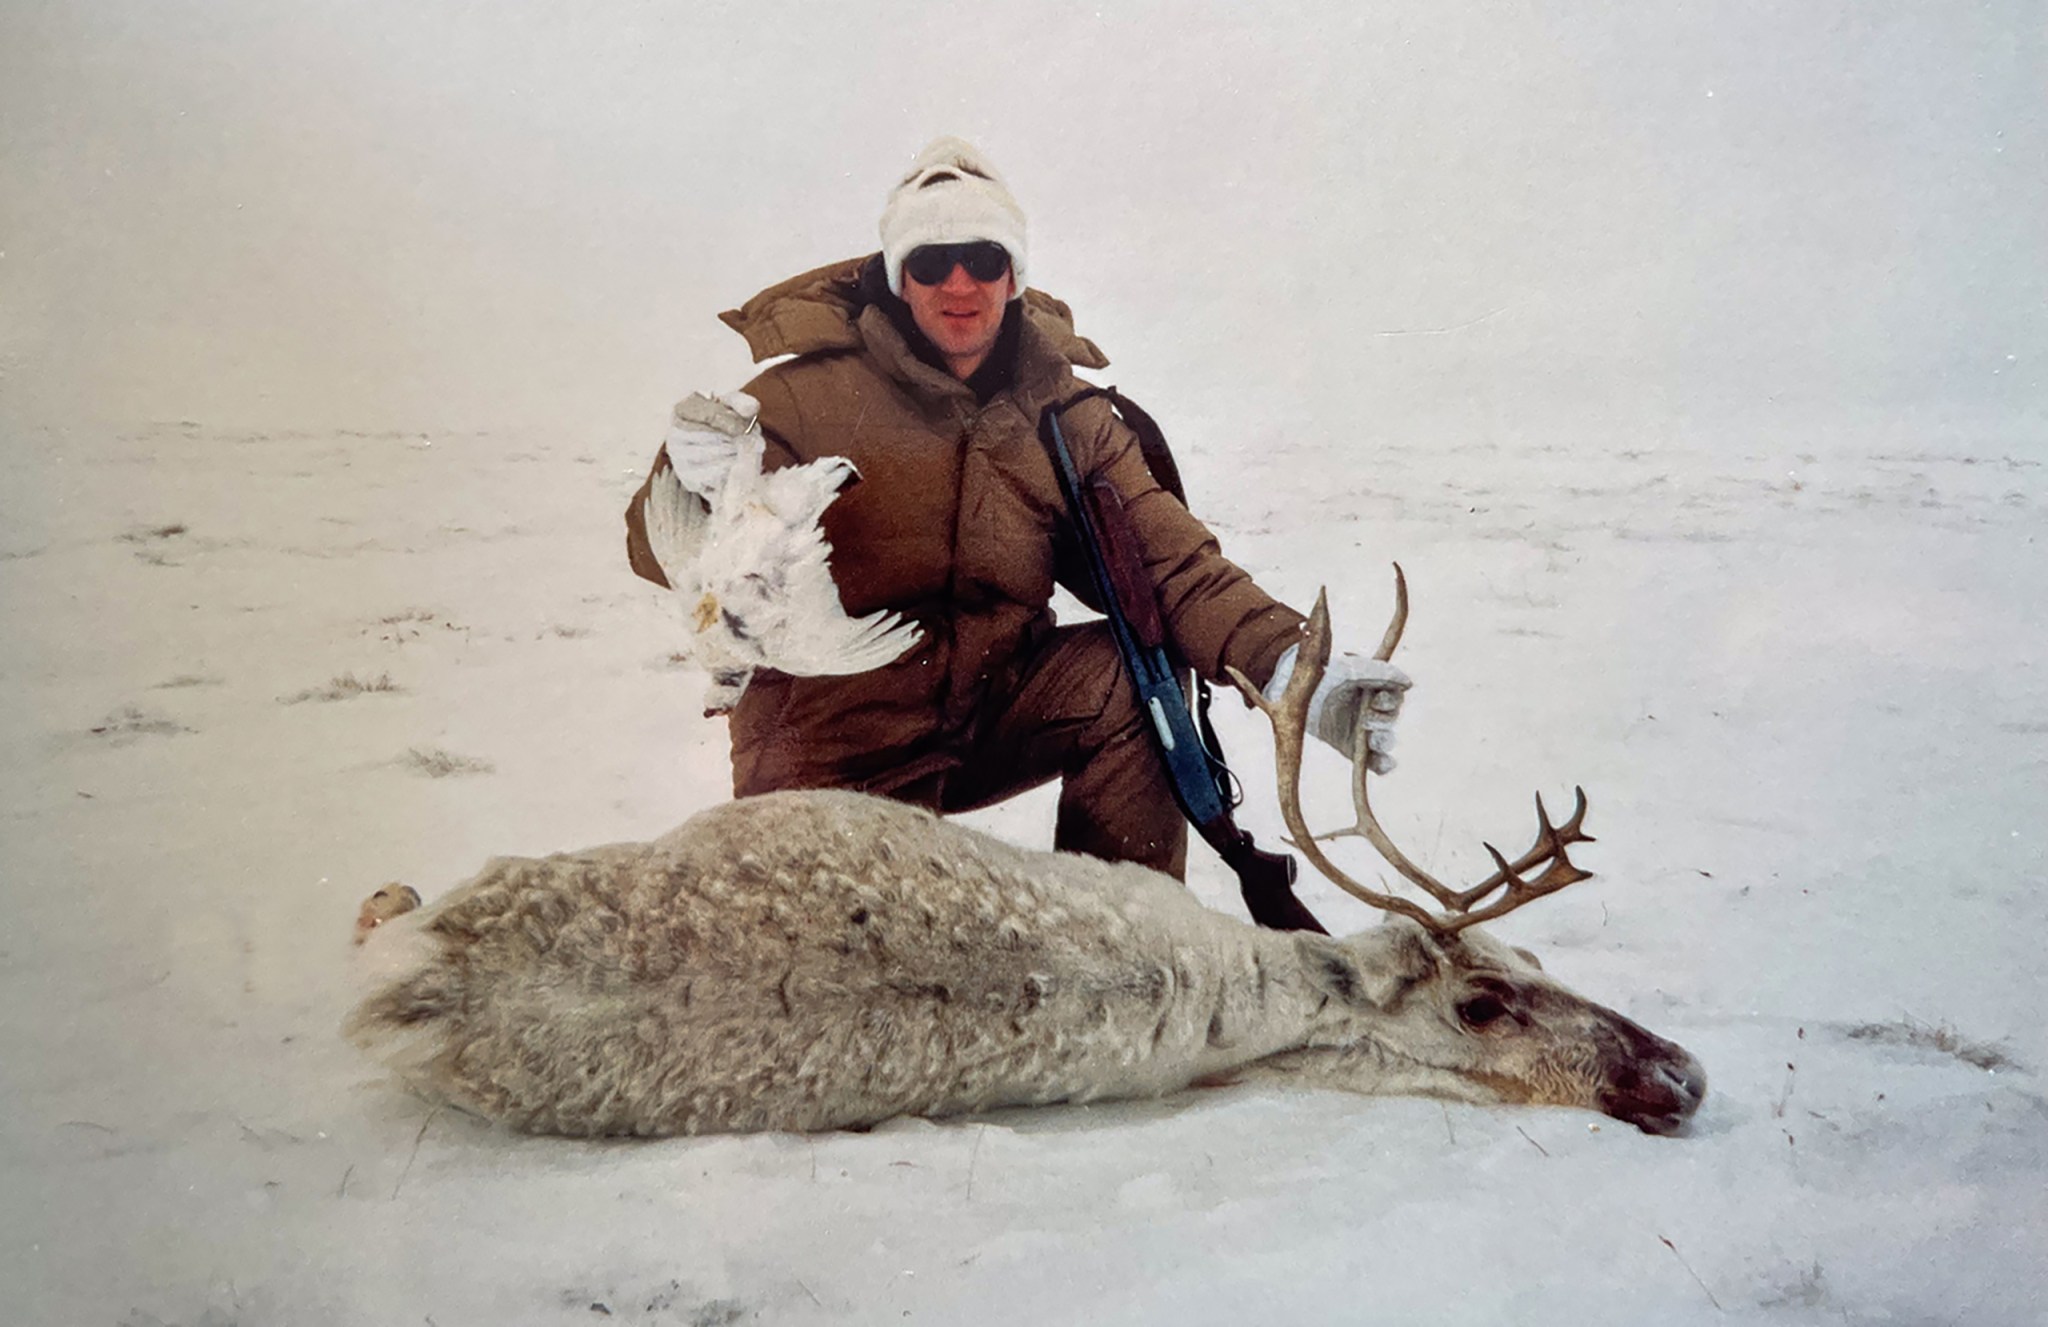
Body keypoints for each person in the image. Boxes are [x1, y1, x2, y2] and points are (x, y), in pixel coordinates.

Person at [626, 137, 1408, 880]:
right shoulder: (797, 398)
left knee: (1136, 678)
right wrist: (692, 483)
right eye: (931, 262)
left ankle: (1118, 940)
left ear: (1013, 275)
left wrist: (1296, 671)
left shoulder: (1066, 416)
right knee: (860, 964)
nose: (958, 285)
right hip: (827, 750)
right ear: (899, 278)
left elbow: (1171, 566)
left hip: (986, 717)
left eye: (983, 259)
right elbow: (655, 549)